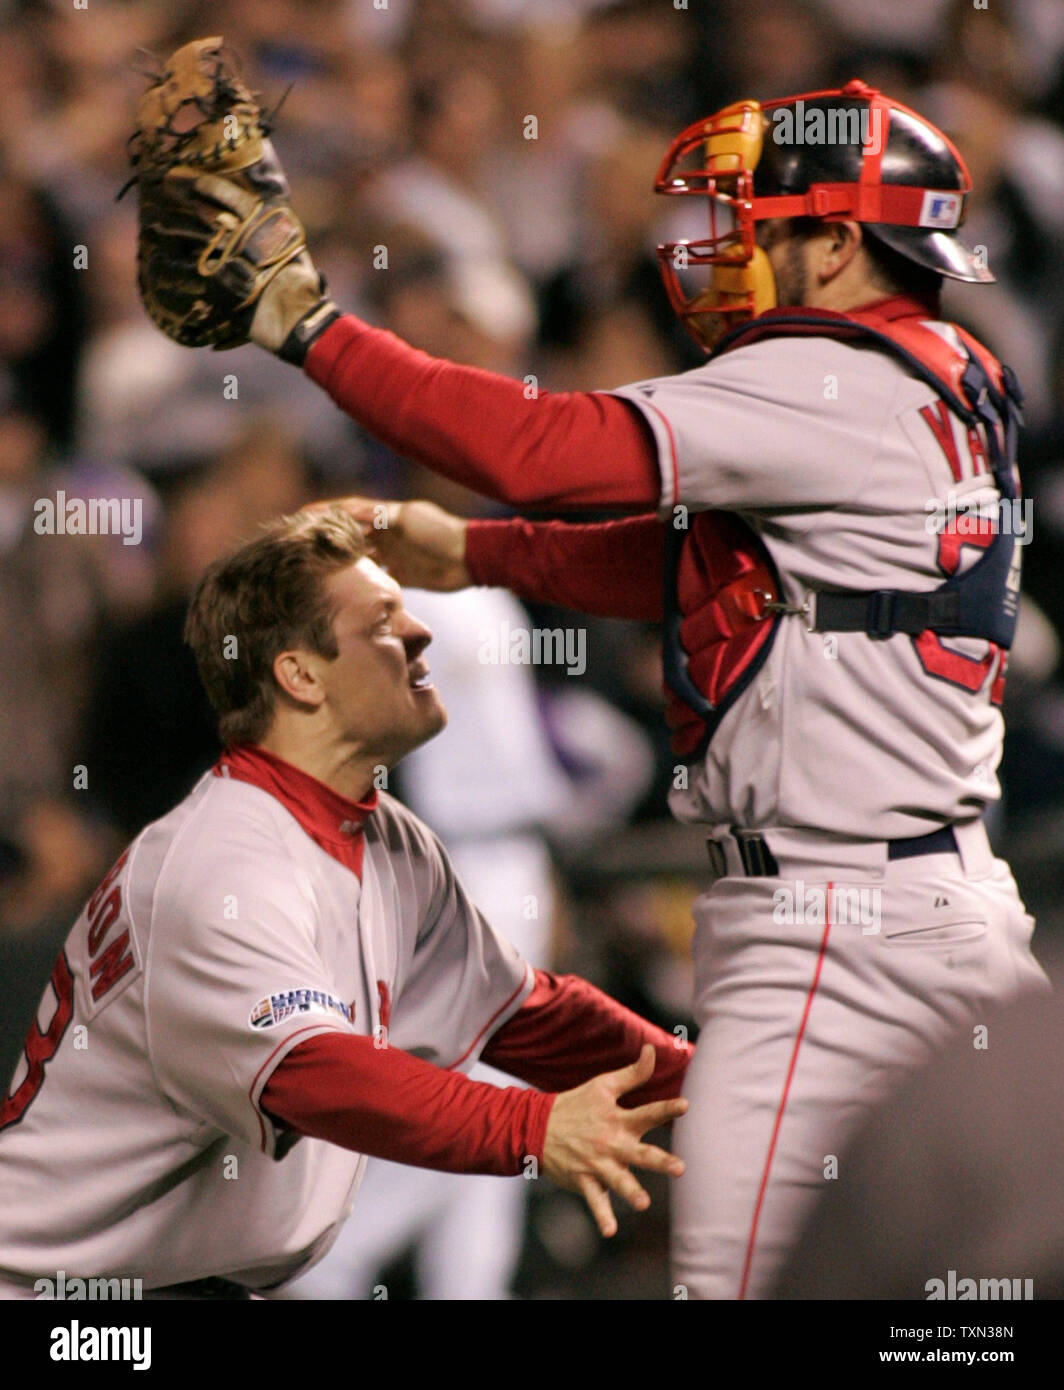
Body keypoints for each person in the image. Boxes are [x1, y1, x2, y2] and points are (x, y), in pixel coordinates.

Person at [143, 77, 1048, 1298]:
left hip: (827, 932)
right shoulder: (945, 382)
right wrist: (473, 554)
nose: (736, 250)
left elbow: (539, 449)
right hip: (947, 907)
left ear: (840, 242)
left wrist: (310, 329)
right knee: (977, 1290)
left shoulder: (826, 373)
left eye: (769, 227)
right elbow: (708, 568)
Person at [0, 507, 691, 1299]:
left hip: (171, 1284)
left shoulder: (384, 835)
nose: (421, 632)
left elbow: (519, 1013)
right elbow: (315, 1074)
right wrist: (533, 1127)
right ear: (300, 675)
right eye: (383, 621)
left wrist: (704, 1091)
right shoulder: (217, 864)